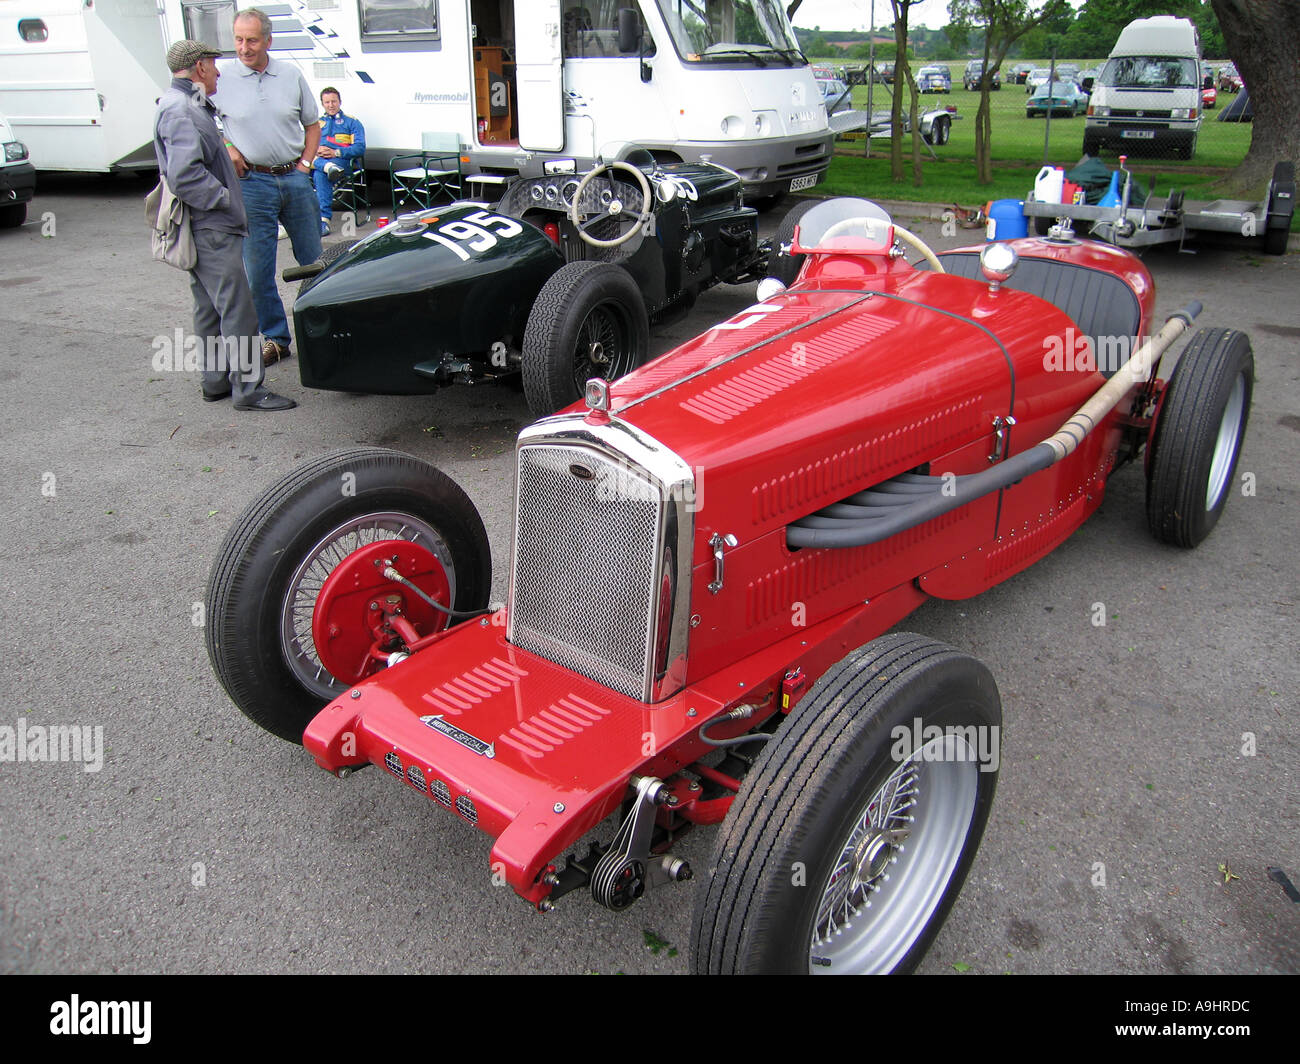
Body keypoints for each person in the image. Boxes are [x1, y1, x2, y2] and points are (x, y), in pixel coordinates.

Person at [153, 39, 296, 411]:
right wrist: (225, 200)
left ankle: (215, 382)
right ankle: (249, 391)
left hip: (204, 227)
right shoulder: (183, 110)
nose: (218, 72)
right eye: (214, 65)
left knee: (209, 309)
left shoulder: (183, 105)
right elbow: (184, 175)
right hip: (211, 227)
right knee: (238, 310)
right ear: (199, 67)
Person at [216, 8, 322, 367]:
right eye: (238, 39)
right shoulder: (222, 78)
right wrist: (228, 147)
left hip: (294, 178)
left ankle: (323, 330)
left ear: (268, 40)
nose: (244, 48)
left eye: (252, 40)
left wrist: (306, 165)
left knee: (314, 261)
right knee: (257, 269)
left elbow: (312, 124)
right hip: (252, 183)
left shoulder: (290, 74)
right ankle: (277, 339)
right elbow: (204, 122)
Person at [313, 87, 366, 236]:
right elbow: (305, 144)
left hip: (343, 163)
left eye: (334, 101)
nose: (331, 105)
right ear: (322, 104)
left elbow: (360, 148)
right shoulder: (316, 123)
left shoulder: (352, 122)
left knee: (319, 174)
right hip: (318, 160)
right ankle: (327, 167)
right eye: (327, 102)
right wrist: (316, 150)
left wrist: (336, 152)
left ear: (340, 102)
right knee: (297, 168)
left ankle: (324, 221)